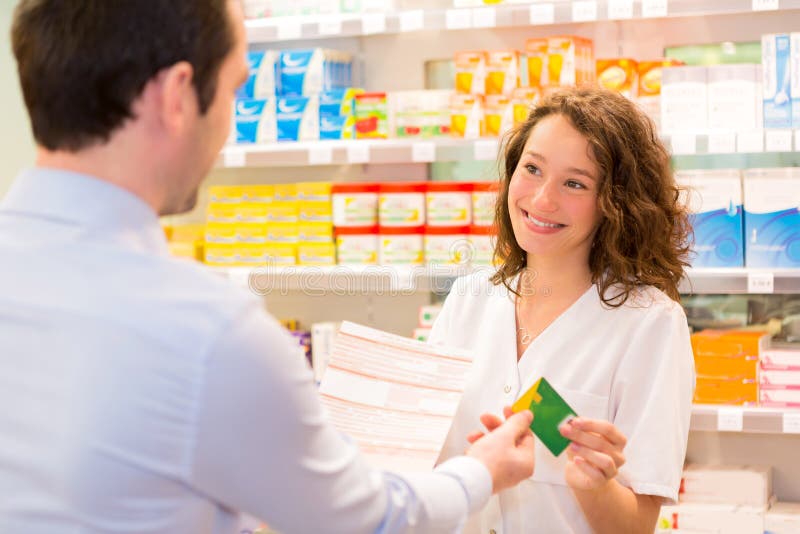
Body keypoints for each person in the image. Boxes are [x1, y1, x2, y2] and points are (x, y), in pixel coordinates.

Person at [0, 1, 537, 533]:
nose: (233, 121)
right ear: (177, 97)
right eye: (236, 89)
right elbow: (360, 520)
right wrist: (480, 472)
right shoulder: (206, 330)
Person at [430, 86, 696, 534]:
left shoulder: (650, 324)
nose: (541, 200)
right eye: (532, 169)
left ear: (615, 204)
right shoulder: (468, 300)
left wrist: (592, 485)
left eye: (574, 183)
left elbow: (636, 526)